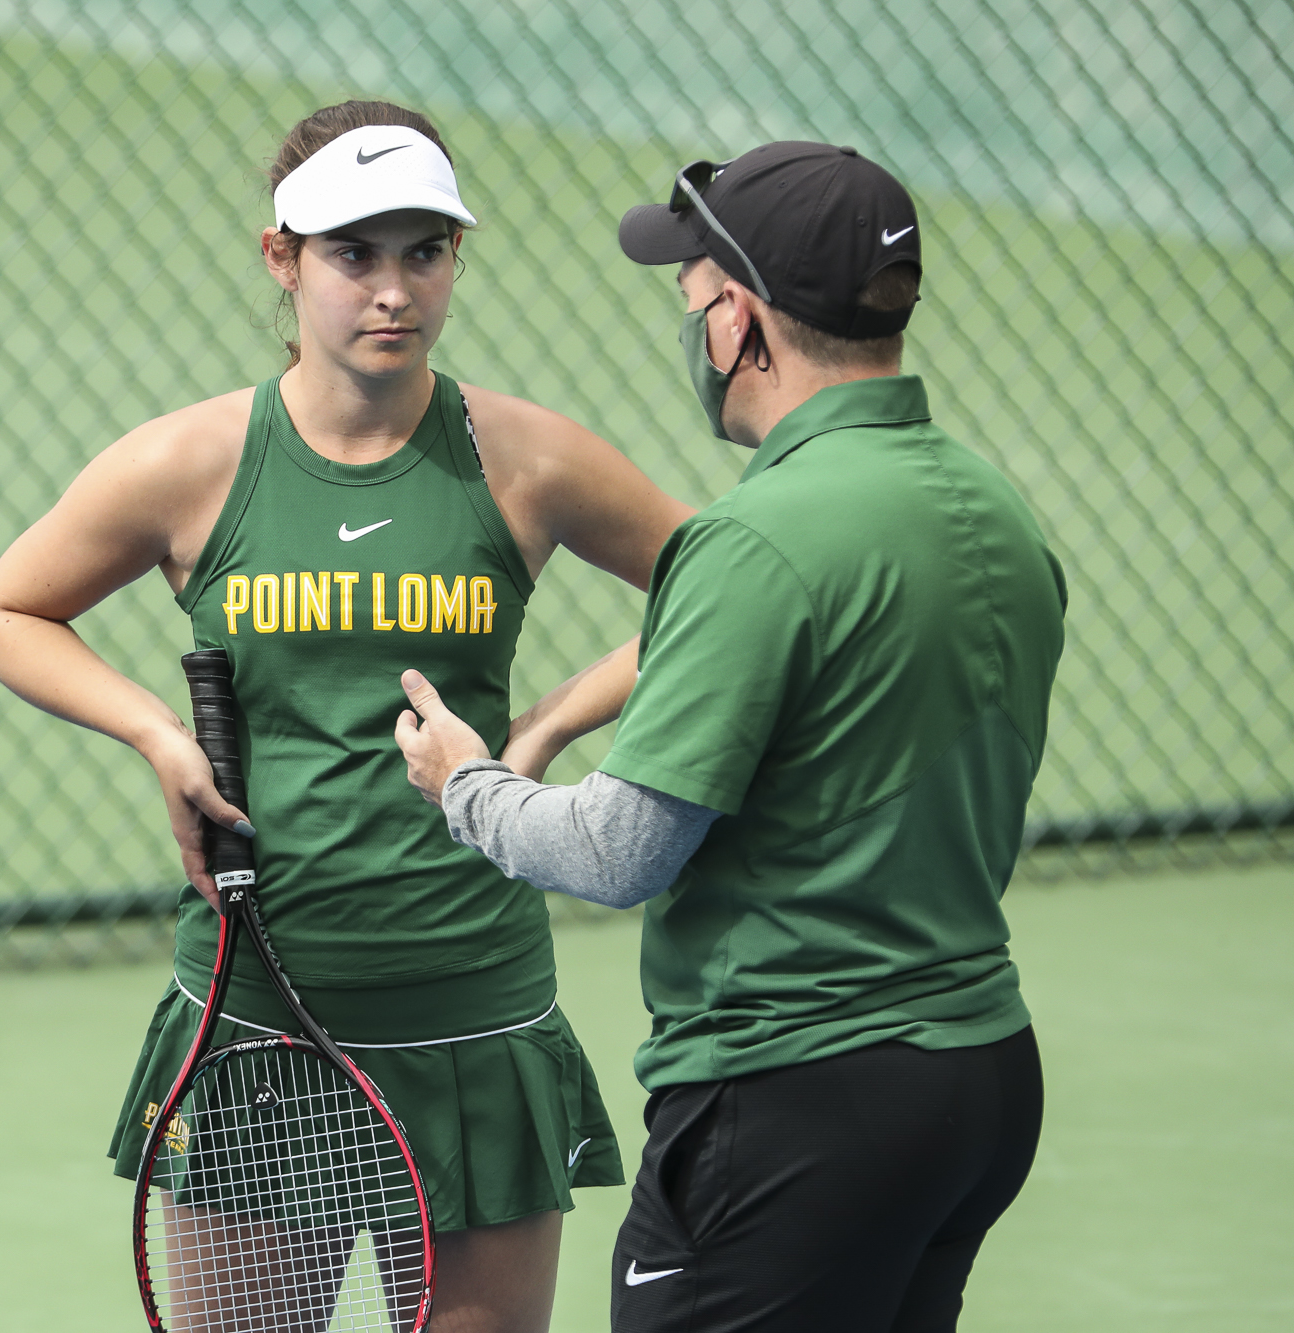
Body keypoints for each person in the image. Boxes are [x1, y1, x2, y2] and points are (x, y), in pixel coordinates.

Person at [0, 101, 693, 1330]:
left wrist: (555, 721)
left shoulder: (526, 458)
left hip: (476, 1010)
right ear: (280, 259)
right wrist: (155, 732)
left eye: (424, 251)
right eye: (353, 255)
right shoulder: (188, 463)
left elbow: (722, 590)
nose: (391, 290)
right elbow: (4, 611)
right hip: (254, 1020)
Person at [394, 142, 1066, 1332]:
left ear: (740, 323)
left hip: (792, 1105)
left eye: (692, 294)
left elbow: (616, 852)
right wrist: (551, 719)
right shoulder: (990, 512)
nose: (690, 322)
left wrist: (468, 784)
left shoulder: (751, 541)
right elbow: (822, 673)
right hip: (977, 1084)